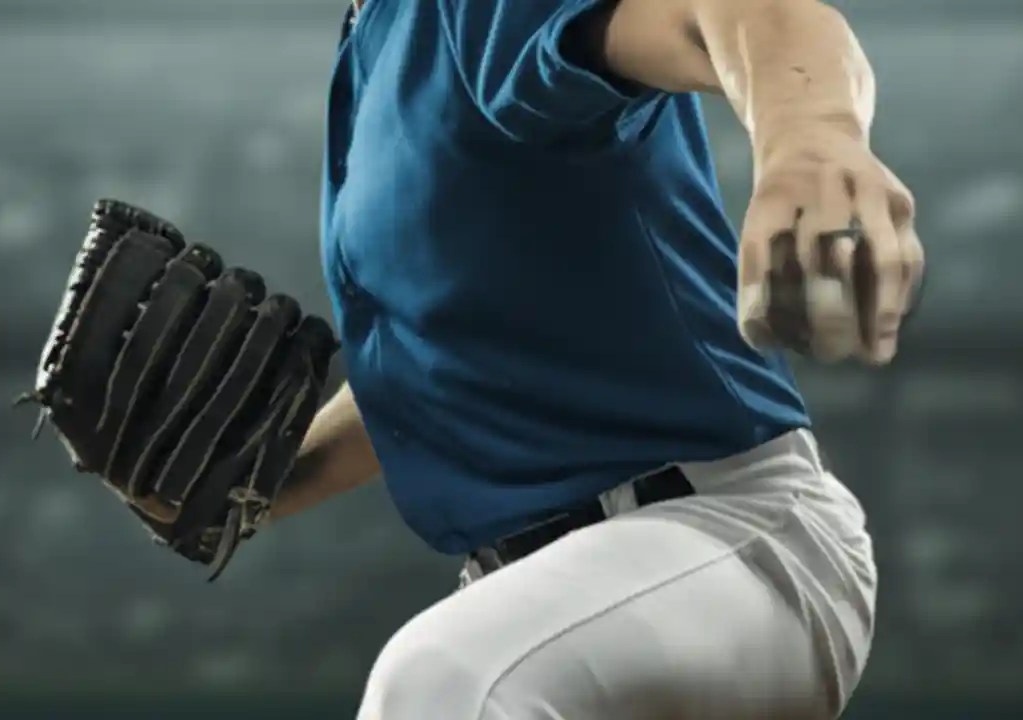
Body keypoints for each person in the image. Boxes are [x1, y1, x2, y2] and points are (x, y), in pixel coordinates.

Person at [271, 0, 925, 717]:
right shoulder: (376, 41)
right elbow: (424, 371)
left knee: (445, 683)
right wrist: (249, 486)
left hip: (724, 533)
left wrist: (813, 135)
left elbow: (732, 14)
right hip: (555, 592)